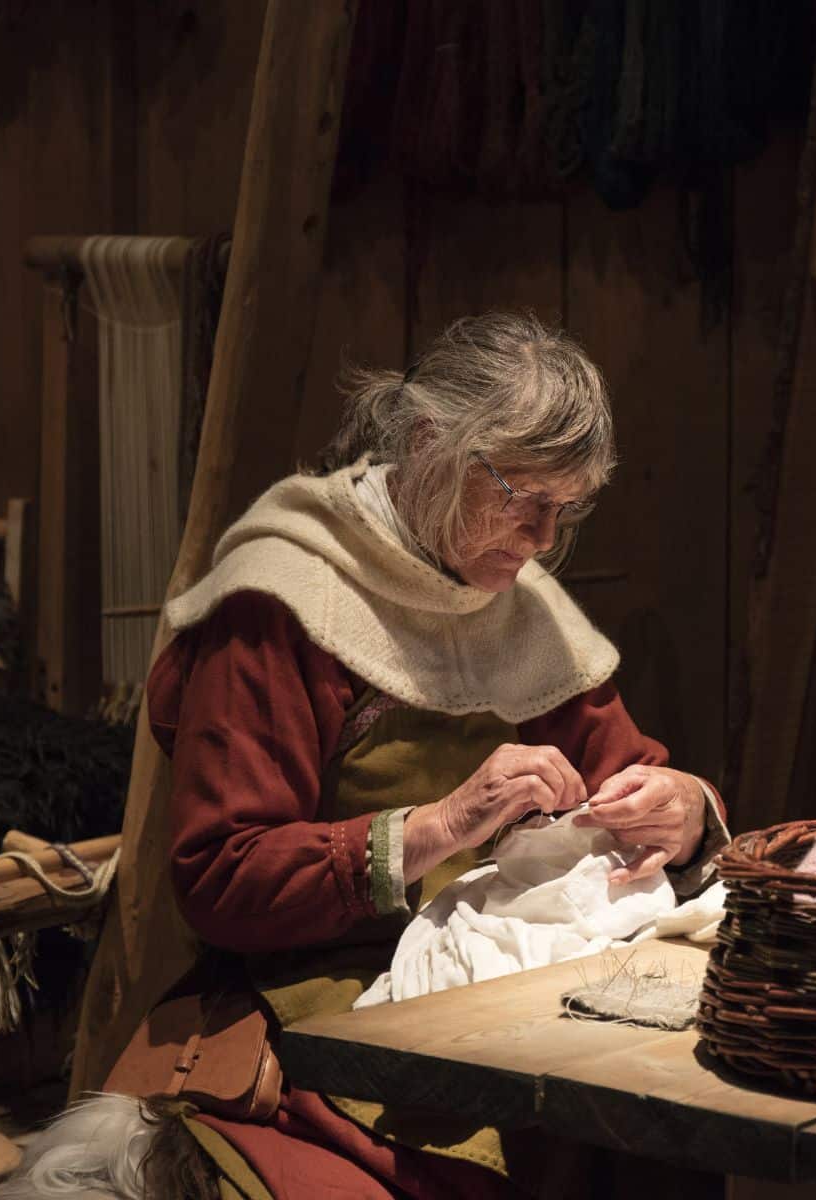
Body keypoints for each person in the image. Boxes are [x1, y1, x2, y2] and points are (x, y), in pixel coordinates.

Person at [132, 310, 729, 1198]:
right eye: (518, 496)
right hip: (332, 985)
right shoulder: (285, 604)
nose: (538, 543)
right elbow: (223, 876)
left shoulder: (518, 605)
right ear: (426, 443)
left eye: (562, 511)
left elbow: (633, 770)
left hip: (508, 967)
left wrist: (681, 811)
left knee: (667, 1127)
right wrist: (444, 824)